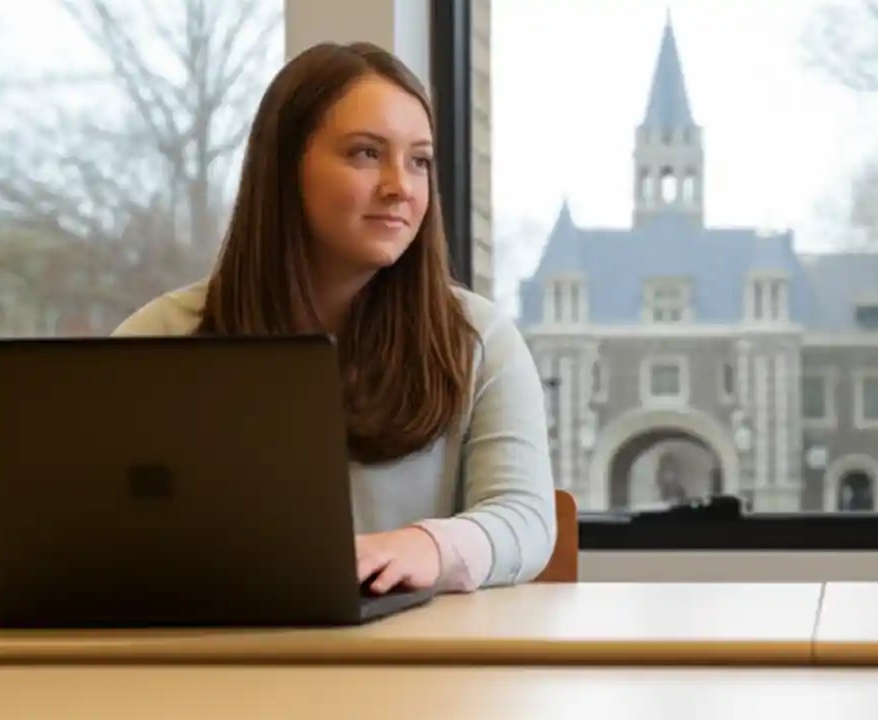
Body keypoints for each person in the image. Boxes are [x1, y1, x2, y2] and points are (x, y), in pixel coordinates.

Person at [112, 41, 556, 596]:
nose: (400, 186)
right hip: (213, 648)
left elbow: (526, 518)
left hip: (414, 651)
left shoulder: (480, 339)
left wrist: (427, 546)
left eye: (419, 161)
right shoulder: (159, 338)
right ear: (284, 168)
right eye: (366, 153)